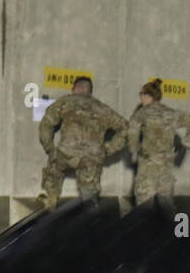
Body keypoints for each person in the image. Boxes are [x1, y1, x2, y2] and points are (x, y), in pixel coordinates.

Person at [35, 76, 127, 209]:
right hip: (91, 158)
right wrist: (108, 150)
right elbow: (125, 128)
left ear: (75, 88)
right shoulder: (103, 108)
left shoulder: (66, 101)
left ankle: (49, 202)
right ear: (90, 90)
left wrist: (50, 148)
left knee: (53, 171)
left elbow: (46, 124)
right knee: (89, 197)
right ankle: (90, 217)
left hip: (65, 153)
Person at [128, 78, 190, 209]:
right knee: (167, 205)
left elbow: (132, 135)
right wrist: (185, 146)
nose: (141, 98)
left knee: (143, 207)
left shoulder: (141, 113)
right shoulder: (171, 113)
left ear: (147, 95)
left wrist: (136, 150)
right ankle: (174, 230)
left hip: (148, 166)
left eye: (141, 94)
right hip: (166, 166)